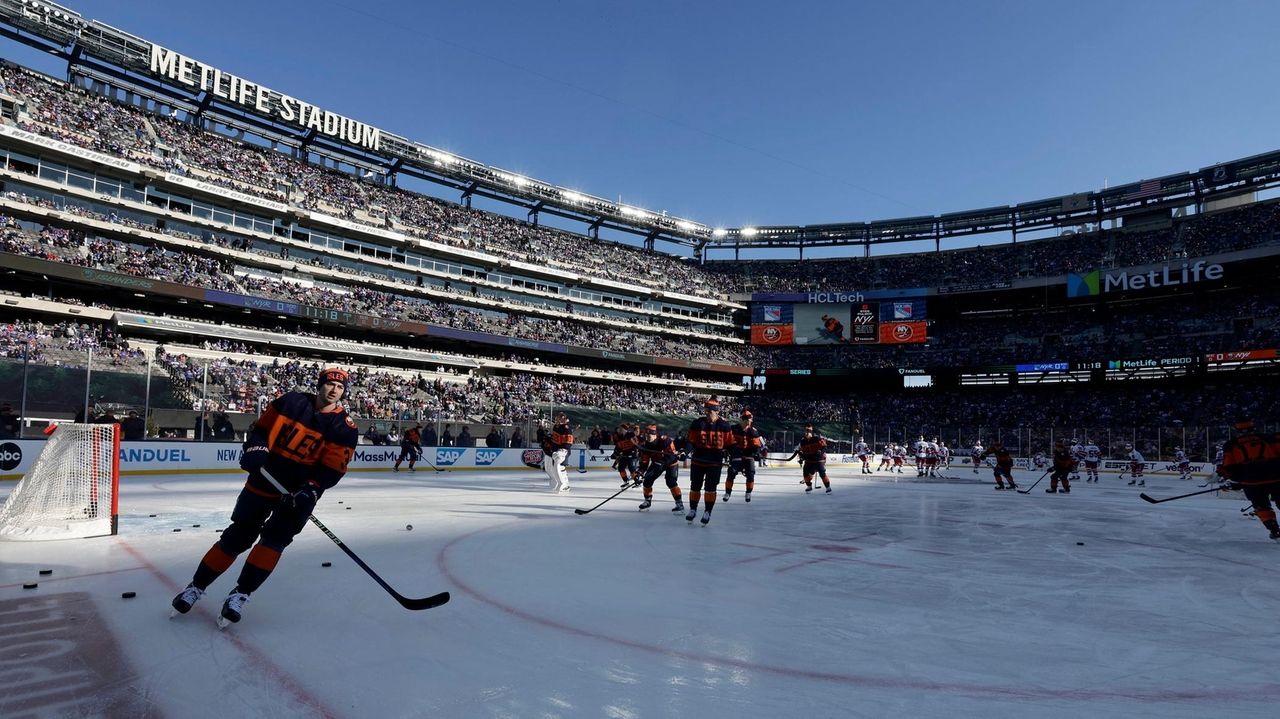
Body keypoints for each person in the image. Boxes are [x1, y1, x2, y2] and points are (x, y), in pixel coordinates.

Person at [170, 367, 358, 626]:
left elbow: (332, 469)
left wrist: (311, 489)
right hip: (263, 482)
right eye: (329, 384)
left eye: (339, 387)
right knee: (237, 536)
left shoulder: (344, 427)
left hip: (297, 496)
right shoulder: (291, 402)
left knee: (273, 543)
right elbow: (260, 430)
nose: (334, 390)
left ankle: (240, 594)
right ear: (320, 385)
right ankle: (195, 587)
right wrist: (256, 448)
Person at [1218, 415, 1280, 541]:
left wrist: (1229, 478)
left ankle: (1275, 531)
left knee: (1262, 507)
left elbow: (1228, 467)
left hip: (1251, 482)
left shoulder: (1231, 445)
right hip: (1276, 478)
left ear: (1236, 428)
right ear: (1253, 426)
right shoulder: (1268, 438)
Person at [684, 397, 732, 524]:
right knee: (695, 487)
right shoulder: (697, 423)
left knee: (710, 488)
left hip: (714, 463)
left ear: (717, 411)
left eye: (709, 412)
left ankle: (707, 511)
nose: (707, 414)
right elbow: (691, 441)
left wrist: (736, 458)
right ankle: (693, 509)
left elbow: (730, 444)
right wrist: (685, 452)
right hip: (698, 461)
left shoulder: (724, 426)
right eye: (705, 411)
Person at [636, 424, 683, 512]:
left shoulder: (665, 440)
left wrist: (661, 463)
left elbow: (672, 456)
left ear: (655, 435)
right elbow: (644, 461)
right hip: (656, 462)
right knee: (647, 480)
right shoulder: (645, 445)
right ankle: (647, 501)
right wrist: (640, 472)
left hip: (671, 463)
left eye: (649, 435)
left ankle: (679, 503)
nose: (647, 437)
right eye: (646, 435)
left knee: (671, 482)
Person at [724, 409, 762, 502]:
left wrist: (756, 453)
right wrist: (728, 451)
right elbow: (727, 442)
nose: (748, 423)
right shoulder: (733, 429)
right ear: (741, 420)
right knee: (731, 473)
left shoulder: (753, 431)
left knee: (751, 474)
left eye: (750, 421)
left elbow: (757, 445)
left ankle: (748, 492)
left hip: (748, 456)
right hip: (736, 456)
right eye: (746, 420)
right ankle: (728, 492)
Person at [541, 412, 573, 492]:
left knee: (560, 466)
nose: (558, 420)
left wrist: (563, 450)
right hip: (556, 450)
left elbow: (568, 442)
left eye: (561, 419)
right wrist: (548, 440)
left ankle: (565, 484)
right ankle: (557, 482)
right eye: (558, 418)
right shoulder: (556, 427)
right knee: (550, 466)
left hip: (564, 451)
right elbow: (555, 440)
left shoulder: (566, 429)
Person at [795, 423, 831, 493]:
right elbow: (802, 451)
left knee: (822, 473)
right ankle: (809, 486)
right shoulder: (803, 441)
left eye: (808, 431)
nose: (807, 433)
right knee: (805, 474)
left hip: (819, 460)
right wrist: (801, 457)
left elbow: (824, 447)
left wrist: (820, 451)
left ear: (811, 432)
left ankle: (828, 487)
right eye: (806, 431)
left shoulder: (817, 439)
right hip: (809, 461)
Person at [611, 422, 641, 489]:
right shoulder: (619, 437)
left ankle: (637, 481)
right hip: (624, 455)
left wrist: (636, 427)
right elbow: (618, 447)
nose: (619, 430)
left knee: (632, 469)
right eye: (619, 429)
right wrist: (614, 454)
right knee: (621, 468)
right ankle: (626, 481)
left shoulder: (630, 434)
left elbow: (637, 434)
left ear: (624, 429)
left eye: (620, 428)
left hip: (632, 455)